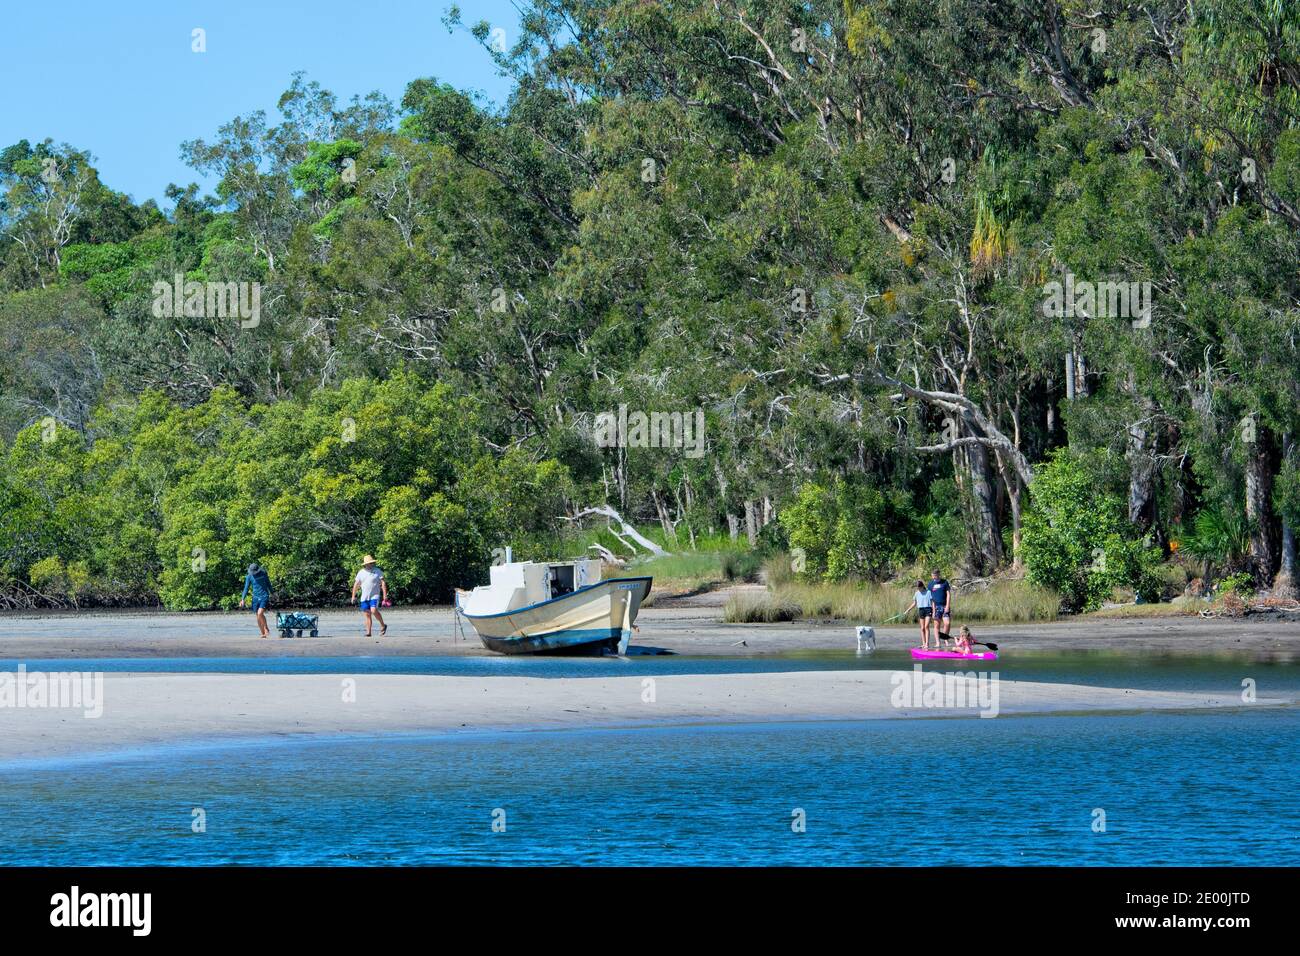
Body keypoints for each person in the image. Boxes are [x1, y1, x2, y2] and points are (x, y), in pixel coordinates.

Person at [350, 555, 388, 638]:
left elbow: (383, 583)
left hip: (374, 595)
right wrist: (353, 596)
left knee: (373, 610)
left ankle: (383, 625)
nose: (371, 564)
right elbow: (356, 585)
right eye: (369, 563)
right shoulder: (361, 572)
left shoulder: (377, 571)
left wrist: (385, 595)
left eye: (372, 563)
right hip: (364, 597)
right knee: (367, 614)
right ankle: (369, 632)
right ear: (365, 564)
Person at [239, 562, 274, 638]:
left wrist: (272, 593)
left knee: (260, 613)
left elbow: (268, 583)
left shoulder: (263, 573)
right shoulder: (249, 576)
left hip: (264, 595)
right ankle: (263, 633)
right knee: (258, 616)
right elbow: (246, 588)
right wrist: (242, 599)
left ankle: (266, 628)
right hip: (255, 597)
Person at [902, 579, 933, 649]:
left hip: (928, 609)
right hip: (921, 610)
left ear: (922, 586)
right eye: (917, 588)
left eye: (919, 587)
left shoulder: (928, 592)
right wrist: (907, 610)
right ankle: (923, 643)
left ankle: (927, 644)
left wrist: (934, 610)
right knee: (922, 628)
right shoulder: (916, 593)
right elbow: (914, 603)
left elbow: (932, 602)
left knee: (926, 626)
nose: (918, 589)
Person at [928, 569, 952, 648]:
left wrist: (948, 605)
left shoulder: (944, 582)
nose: (934, 576)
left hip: (945, 605)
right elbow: (931, 598)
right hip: (936, 607)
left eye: (935, 574)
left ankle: (945, 639)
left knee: (947, 623)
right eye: (932, 574)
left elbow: (948, 594)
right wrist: (933, 610)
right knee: (936, 625)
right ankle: (938, 643)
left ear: (938, 574)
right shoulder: (930, 584)